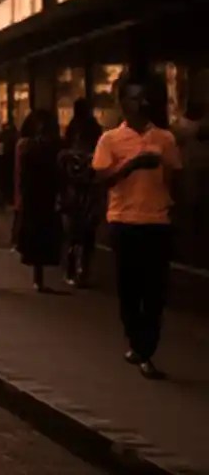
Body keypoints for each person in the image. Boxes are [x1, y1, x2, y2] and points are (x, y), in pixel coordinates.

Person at [92, 71, 181, 380]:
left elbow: (175, 176)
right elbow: (102, 178)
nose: (140, 103)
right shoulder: (110, 139)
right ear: (123, 104)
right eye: (133, 98)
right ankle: (136, 341)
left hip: (157, 221)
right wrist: (131, 165)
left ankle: (146, 349)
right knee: (129, 288)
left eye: (144, 98)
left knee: (155, 290)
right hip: (124, 222)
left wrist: (174, 206)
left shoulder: (165, 139)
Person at [14, 109, 63, 293]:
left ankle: (38, 277)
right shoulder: (54, 148)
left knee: (36, 237)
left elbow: (22, 176)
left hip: (34, 198)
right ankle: (41, 278)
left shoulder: (28, 148)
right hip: (46, 197)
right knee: (46, 236)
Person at [60, 99, 103, 287]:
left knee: (74, 231)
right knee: (87, 232)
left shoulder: (69, 146)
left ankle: (72, 266)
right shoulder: (95, 133)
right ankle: (82, 268)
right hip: (89, 190)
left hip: (74, 191)